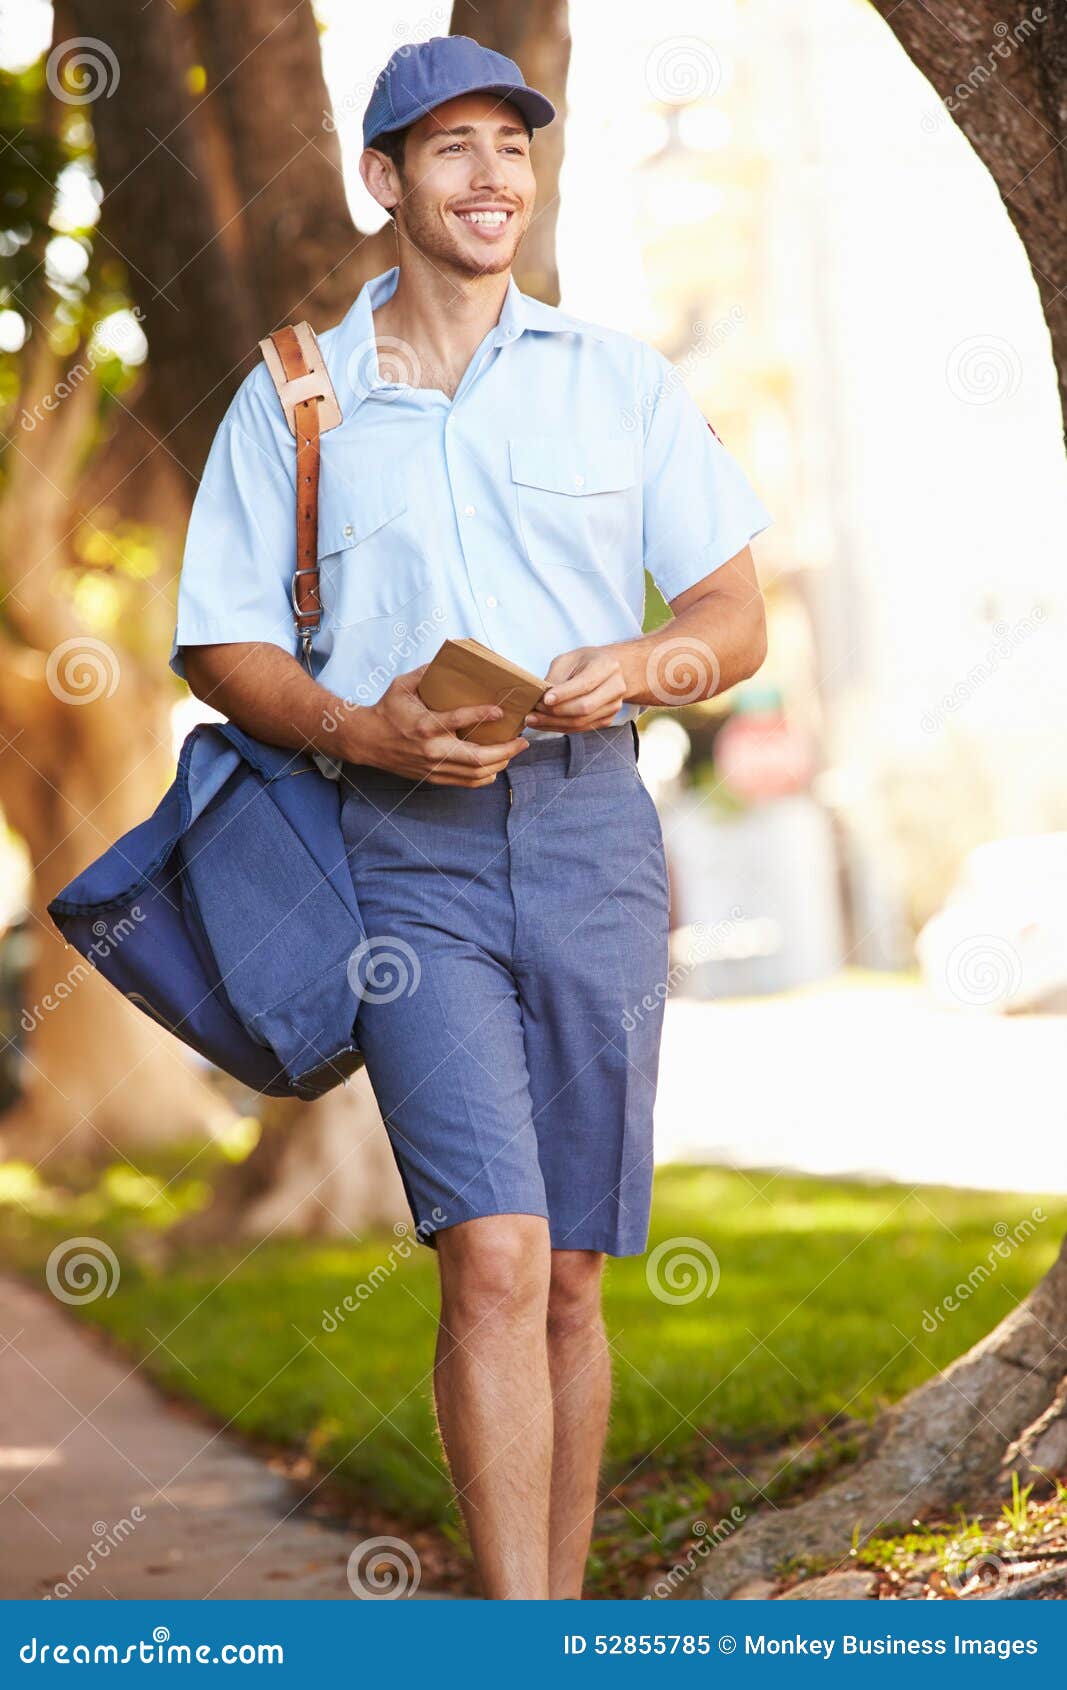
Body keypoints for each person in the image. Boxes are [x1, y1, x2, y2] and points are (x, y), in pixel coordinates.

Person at [172, 35, 770, 1600]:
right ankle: (510, 1633)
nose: (492, 174)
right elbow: (221, 639)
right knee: (494, 1251)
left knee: (568, 1267)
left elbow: (733, 614)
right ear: (385, 179)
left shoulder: (618, 381)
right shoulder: (299, 397)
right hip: (399, 858)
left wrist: (639, 661)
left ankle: (547, 1631)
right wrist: (356, 725)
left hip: (591, 836)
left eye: (513, 143)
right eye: (452, 147)